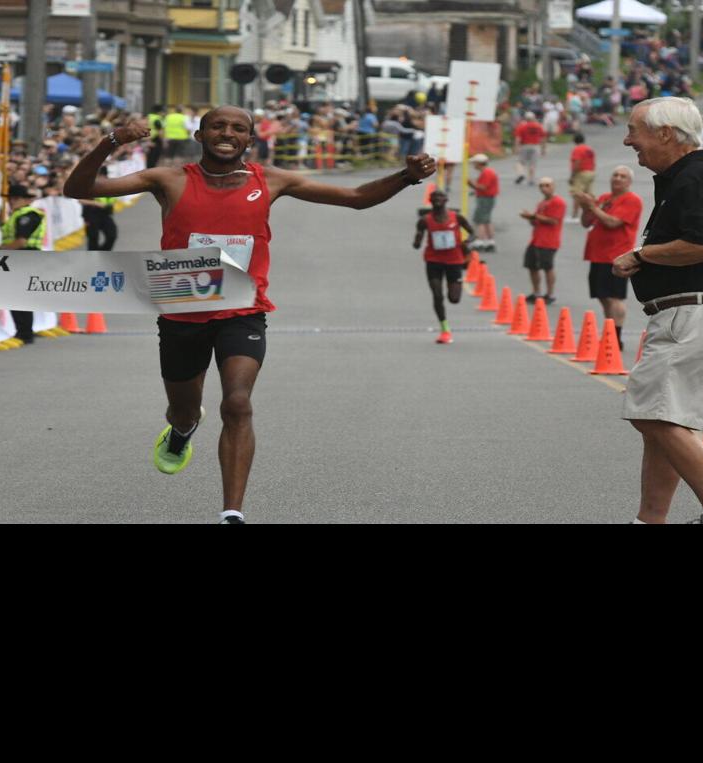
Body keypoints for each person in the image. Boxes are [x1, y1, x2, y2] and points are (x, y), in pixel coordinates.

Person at [64, 105, 437, 525]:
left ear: (250, 139)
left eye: (238, 128)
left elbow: (354, 199)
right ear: (199, 136)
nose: (228, 133)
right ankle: (183, 430)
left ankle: (232, 513)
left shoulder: (271, 180)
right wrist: (111, 142)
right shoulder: (168, 179)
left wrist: (406, 177)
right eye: (217, 126)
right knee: (183, 409)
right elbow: (79, 189)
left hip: (243, 311)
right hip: (182, 314)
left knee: (238, 404)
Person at [613, 96, 703, 524]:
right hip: (691, 313)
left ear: (666, 133)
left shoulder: (696, 179)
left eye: (635, 130)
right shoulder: (689, 177)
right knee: (663, 423)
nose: (628, 139)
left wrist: (643, 254)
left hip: (690, 313)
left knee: (653, 415)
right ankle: (650, 518)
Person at [574, 165, 642, 349]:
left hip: (616, 255)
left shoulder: (631, 200)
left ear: (629, 182)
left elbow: (613, 222)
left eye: (623, 176)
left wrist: (592, 208)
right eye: (615, 175)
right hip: (597, 254)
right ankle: (610, 332)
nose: (618, 178)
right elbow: (586, 222)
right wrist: (586, 208)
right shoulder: (605, 198)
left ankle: (616, 336)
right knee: (602, 295)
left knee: (615, 297)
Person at [413, 189, 475, 344]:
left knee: (454, 299)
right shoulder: (425, 220)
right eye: (434, 197)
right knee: (437, 294)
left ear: (446, 199)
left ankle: (456, 284)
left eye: (440, 197)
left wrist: (467, 242)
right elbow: (418, 238)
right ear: (430, 200)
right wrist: (417, 241)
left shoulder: (457, 217)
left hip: (454, 261)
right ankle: (445, 329)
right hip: (433, 261)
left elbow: (472, 232)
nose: (437, 200)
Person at [0, 183, 46, 345]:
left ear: (24, 199)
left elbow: (21, 241)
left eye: (14, 199)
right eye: (11, 199)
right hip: (20, 257)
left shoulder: (27, 215)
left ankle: (24, 332)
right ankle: (24, 330)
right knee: (18, 296)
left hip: (24, 256)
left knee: (19, 296)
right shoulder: (17, 215)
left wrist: (0, 251)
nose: (11, 202)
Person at [520, 176, 565, 305]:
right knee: (532, 266)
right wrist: (530, 218)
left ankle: (550, 293)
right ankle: (537, 292)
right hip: (536, 239)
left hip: (549, 241)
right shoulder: (542, 203)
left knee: (547, 267)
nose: (544, 188)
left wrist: (534, 216)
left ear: (553, 186)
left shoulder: (558, 202)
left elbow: (553, 220)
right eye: (541, 186)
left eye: (547, 185)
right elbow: (536, 221)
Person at [467, 153, 498, 251]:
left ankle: (479, 241)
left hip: (485, 199)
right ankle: (490, 241)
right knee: (486, 220)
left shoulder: (487, 173)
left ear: (479, 163)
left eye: (475, 163)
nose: (473, 165)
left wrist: (471, 184)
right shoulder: (487, 172)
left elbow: (483, 187)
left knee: (479, 220)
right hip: (487, 198)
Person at [513, 111, 546, 185]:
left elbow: (518, 138)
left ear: (526, 118)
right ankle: (531, 179)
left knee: (520, 162)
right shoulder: (538, 126)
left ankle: (521, 174)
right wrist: (543, 149)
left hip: (525, 146)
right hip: (535, 146)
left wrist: (516, 148)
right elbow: (543, 138)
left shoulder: (521, 126)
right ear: (533, 118)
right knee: (532, 164)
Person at [568, 132, 596, 218]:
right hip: (590, 172)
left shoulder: (577, 149)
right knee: (588, 195)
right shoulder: (589, 149)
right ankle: (592, 213)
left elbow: (577, 162)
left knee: (577, 194)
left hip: (581, 173)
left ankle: (575, 215)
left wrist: (572, 176)